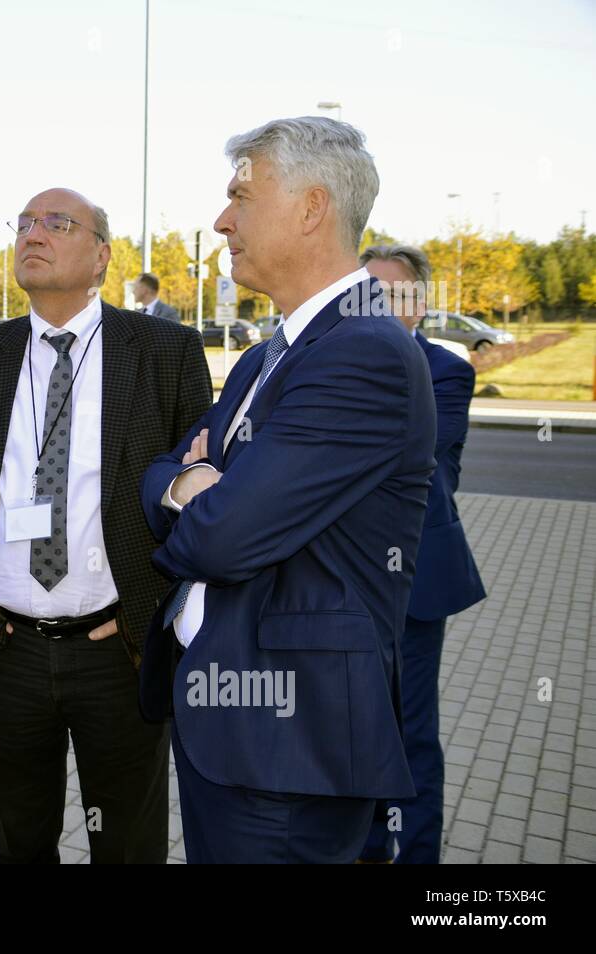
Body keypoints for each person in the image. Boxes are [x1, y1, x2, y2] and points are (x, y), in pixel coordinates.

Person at [139, 117, 436, 863]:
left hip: (286, 750)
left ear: (311, 208)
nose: (221, 220)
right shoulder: (268, 356)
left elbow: (223, 538)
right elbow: (158, 475)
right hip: (231, 728)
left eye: (242, 196)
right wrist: (190, 485)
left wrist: (199, 493)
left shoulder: (361, 354)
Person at [0, 188, 211, 863]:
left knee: (128, 842)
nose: (34, 234)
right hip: (5, 648)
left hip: (120, 649)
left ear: (101, 257)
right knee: (21, 839)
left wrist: (155, 610)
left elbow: (200, 497)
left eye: (57, 223)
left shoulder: (165, 350)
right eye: (25, 223)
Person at [359, 243, 485, 864]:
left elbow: (414, 452)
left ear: (421, 302)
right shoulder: (334, 362)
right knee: (355, 726)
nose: (382, 304)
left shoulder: (445, 371)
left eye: (396, 292)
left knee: (410, 731)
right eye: (369, 293)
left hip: (413, 582)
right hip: (346, 579)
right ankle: (366, 847)